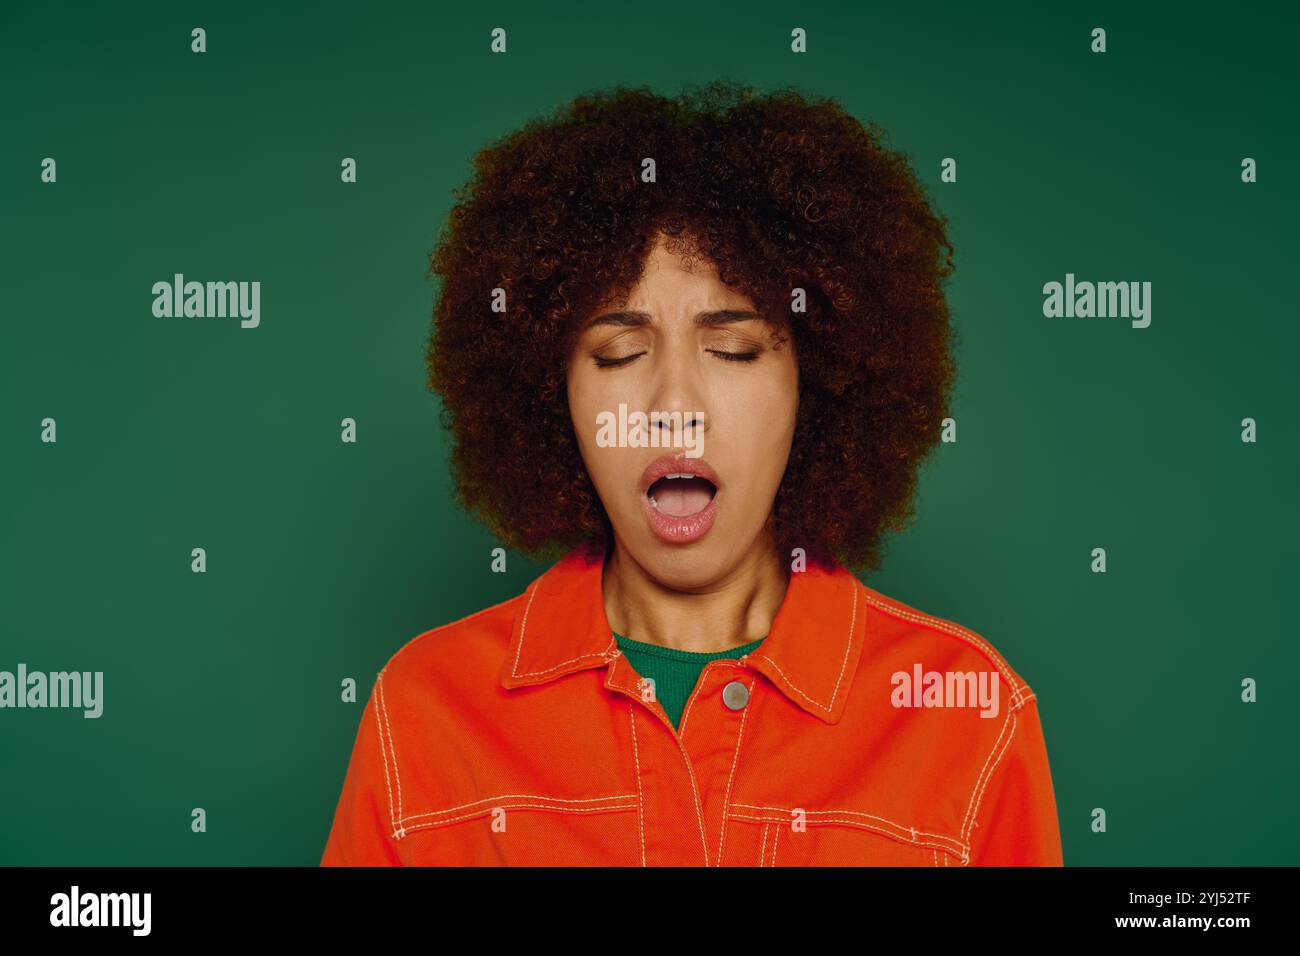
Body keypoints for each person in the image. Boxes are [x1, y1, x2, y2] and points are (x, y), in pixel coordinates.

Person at [321, 80, 1064, 866]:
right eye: (619, 352)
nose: (674, 405)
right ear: (550, 394)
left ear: (819, 381)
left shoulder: (967, 712)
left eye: (734, 348)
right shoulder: (426, 713)